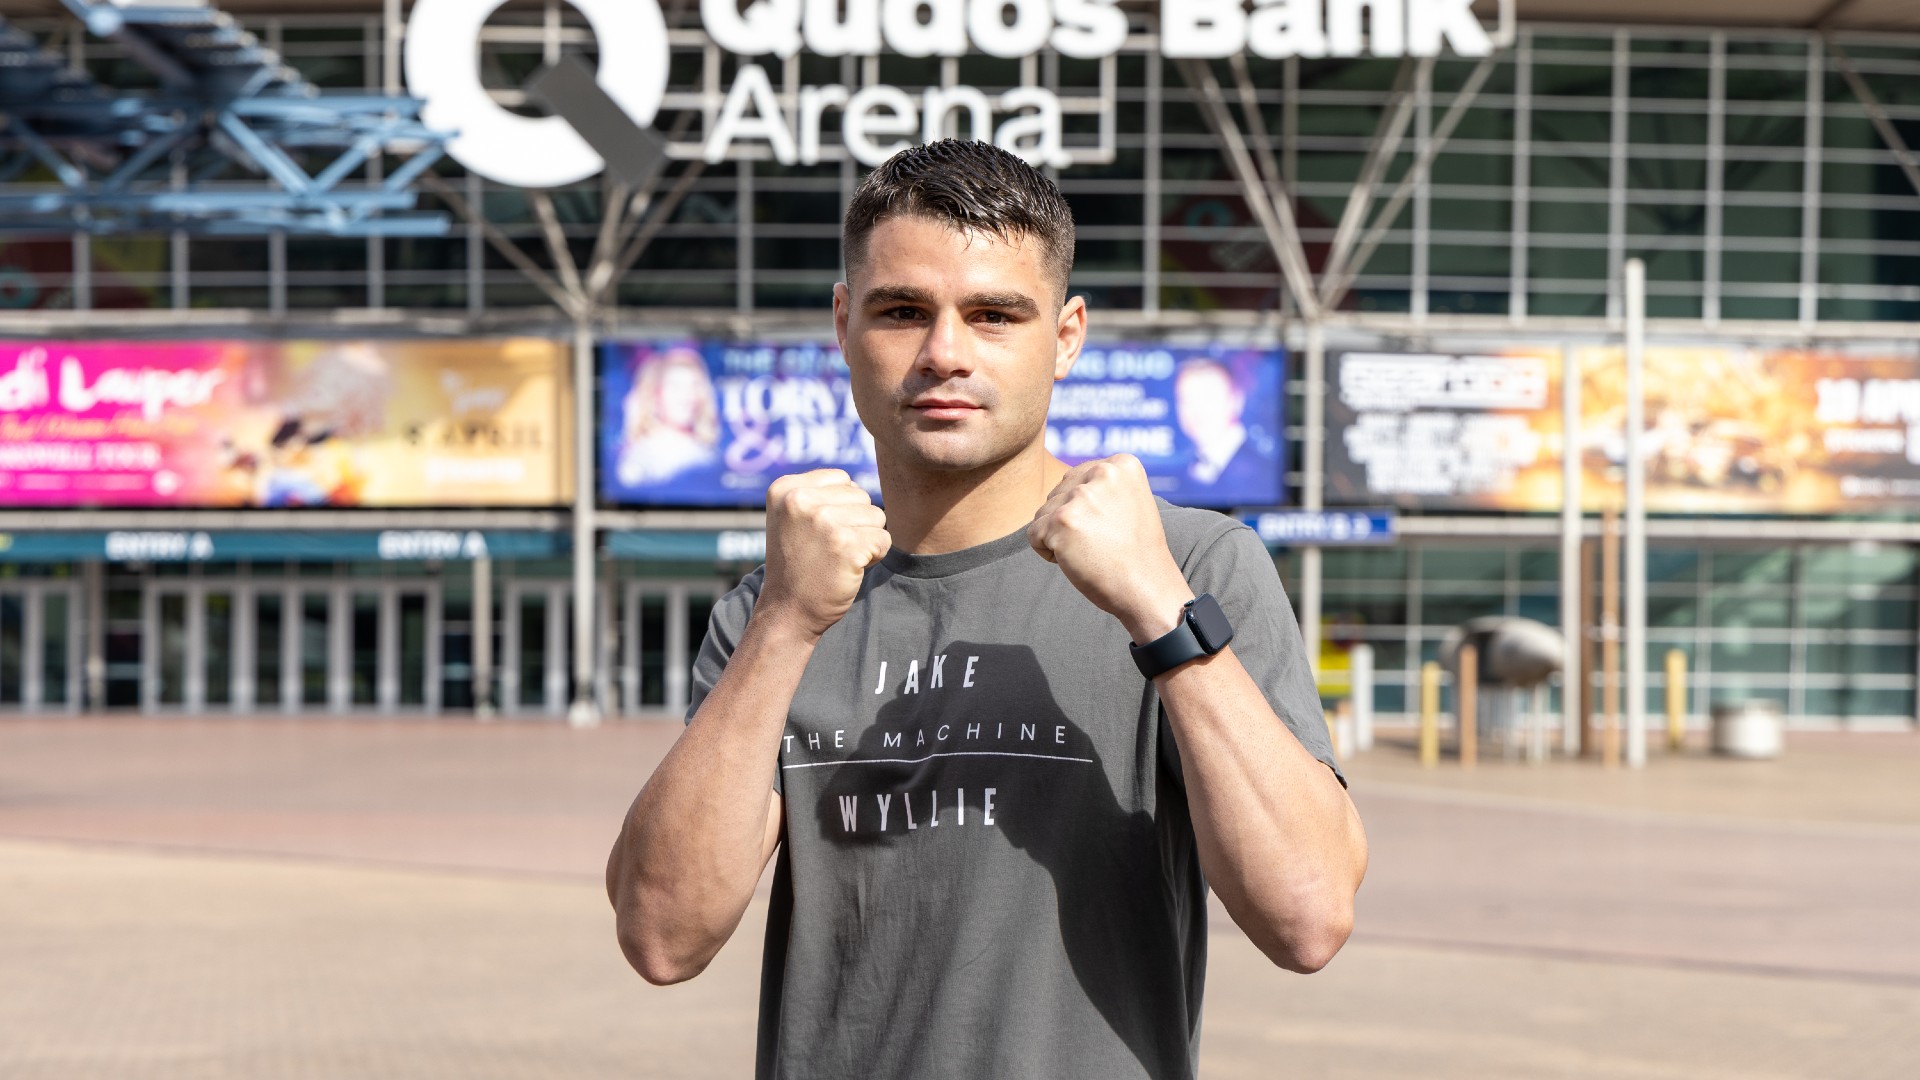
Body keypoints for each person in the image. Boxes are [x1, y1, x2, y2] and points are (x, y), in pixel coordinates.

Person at [605, 140, 1367, 1080]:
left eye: (995, 314)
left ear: (1068, 335)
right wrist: (784, 626)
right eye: (901, 311)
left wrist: (1159, 610)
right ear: (844, 324)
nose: (945, 353)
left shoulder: (1196, 567)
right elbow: (661, 936)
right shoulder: (780, 607)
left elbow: (1309, 916)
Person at [616, 346, 722, 487]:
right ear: (656, 394)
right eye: (675, 387)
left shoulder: (709, 454)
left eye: (694, 386)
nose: (686, 397)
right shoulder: (640, 457)